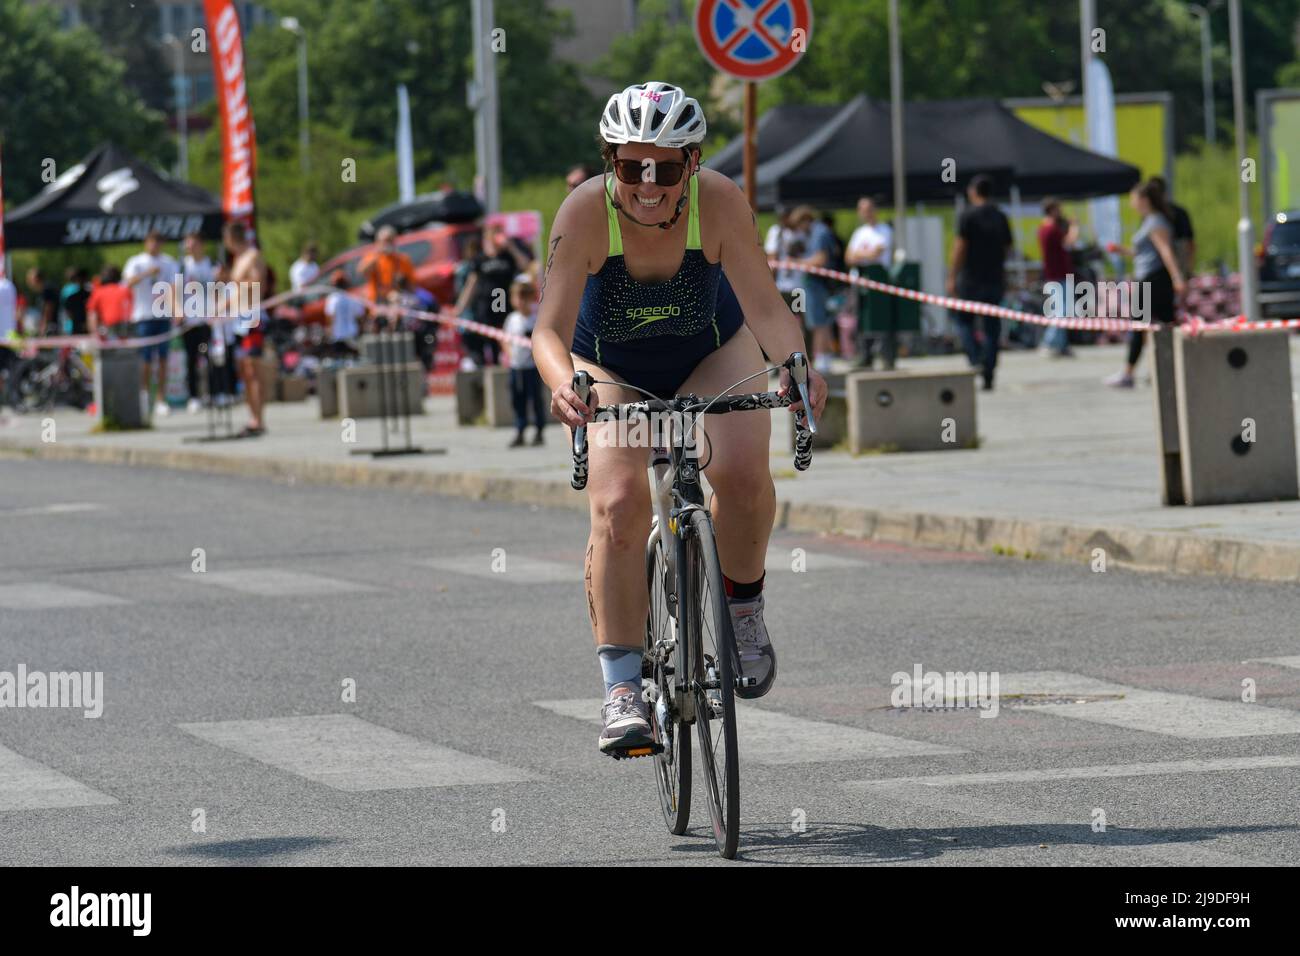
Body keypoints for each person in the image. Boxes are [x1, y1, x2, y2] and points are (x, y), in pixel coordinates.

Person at [532, 81, 827, 756]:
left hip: (712, 355)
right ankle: (622, 689)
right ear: (610, 162)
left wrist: (798, 367)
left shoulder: (719, 202)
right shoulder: (584, 214)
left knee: (748, 475)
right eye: (630, 165)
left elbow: (768, 308)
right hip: (614, 371)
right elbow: (546, 331)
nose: (647, 184)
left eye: (665, 168)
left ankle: (743, 608)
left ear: (691, 163)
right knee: (620, 501)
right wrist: (563, 384)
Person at [1104, 180, 1187, 388]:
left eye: (1133, 198)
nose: (1132, 203)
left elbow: (1165, 251)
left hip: (1154, 279)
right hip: (1149, 278)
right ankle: (1165, 369)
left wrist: (1177, 277)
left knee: (1144, 325)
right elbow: (1145, 252)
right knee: (1161, 325)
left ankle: (1130, 372)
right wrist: (1123, 251)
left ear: (1144, 199)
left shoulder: (1156, 222)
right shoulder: (1149, 221)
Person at [947, 174, 1013, 391]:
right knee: (992, 327)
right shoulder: (1000, 216)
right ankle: (989, 369)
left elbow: (960, 248)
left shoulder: (967, 215)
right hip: (994, 278)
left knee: (964, 321)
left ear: (973, 192)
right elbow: (1007, 249)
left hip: (971, 279)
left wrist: (951, 276)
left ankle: (975, 358)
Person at [454, 223, 532, 368]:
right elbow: (471, 285)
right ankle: (490, 372)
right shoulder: (480, 259)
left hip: (504, 306)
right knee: (487, 342)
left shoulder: (508, 257)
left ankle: (505, 369)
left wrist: (511, 247)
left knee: (504, 340)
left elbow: (526, 265)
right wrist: (459, 308)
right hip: (485, 307)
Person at [122, 231, 182, 417]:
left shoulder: (169, 262)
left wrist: (176, 309)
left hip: (162, 315)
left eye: (158, 242)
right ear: (146, 242)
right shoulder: (136, 261)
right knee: (145, 359)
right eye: (151, 242)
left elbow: (173, 287)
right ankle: (144, 394)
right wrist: (148, 273)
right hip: (143, 315)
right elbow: (127, 283)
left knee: (163, 358)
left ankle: (161, 399)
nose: (155, 245)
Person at [224, 221, 270, 435]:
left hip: (251, 316)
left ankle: (259, 419)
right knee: (243, 369)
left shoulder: (252, 256)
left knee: (252, 368)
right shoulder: (238, 259)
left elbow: (257, 283)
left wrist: (236, 288)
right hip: (239, 318)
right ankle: (252, 417)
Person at [845, 197, 894, 367]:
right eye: (862, 209)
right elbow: (849, 258)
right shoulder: (859, 233)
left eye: (869, 209)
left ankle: (886, 355)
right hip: (861, 282)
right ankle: (865, 354)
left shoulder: (884, 230)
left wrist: (859, 254)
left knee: (881, 319)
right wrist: (864, 254)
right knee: (861, 319)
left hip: (878, 281)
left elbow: (876, 254)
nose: (866, 213)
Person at [789, 205, 838, 373]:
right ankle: (823, 357)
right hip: (812, 285)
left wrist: (798, 262)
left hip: (817, 285)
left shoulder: (819, 233)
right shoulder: (816, 233)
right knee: (818, 323)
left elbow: (820, 260)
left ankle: (822, 358)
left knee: (819, 323)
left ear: (805, 220)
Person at [503, 275, 546, 448]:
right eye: (516, 297)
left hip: (532, 367)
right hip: (516, 366)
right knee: (517, 398)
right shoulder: (512, 319)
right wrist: (509, 354)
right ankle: (520, 429)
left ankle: (539, 430)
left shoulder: (536, 317)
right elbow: (504, 338)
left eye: (523, 297)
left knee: (535, 398)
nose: (519, 301)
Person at [179, 233, 217, 412]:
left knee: (211, 357)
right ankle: (193, 397)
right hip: (189, 321)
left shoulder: (212, 265)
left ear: (201, 245)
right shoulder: (182, 266)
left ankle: (215, 393)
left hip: (209, 320)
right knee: (191, 359)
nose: (190, 248)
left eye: (193, 244)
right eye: (188, 245)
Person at [1037, 198, 1078, 358]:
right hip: (1057, 275)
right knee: (1061, 311)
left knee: (1062, 311)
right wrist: (1074, 226)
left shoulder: (1045, 228)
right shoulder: (1051, 229)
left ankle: (1061, 345)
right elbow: (1070, 242)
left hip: (1055, 274)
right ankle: (1048, 342)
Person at [359, 226, 415, 326]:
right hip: (376, 303)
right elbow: (362, 271)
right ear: (378, 242)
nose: (388, 244)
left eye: (390, 240)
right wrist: (377, 254)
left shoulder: (402, 260)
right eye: (385, 241)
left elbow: (412, 285)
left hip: (397, 303)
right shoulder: (373, 258)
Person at [1149, 176, 1195, 277]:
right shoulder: (1179, 212)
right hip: (1171, 264)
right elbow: (1190, 243)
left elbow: (1188, 242)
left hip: (1162, 265)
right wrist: (1189, 267)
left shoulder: (1152, 217)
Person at [324, 271, 365, 357]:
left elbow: (330, 316)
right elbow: (360, 315)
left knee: (340, 360)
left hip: (338, 335)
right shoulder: (352, 298)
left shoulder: (332, 299)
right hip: (352, 333)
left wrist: (329, 330)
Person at [86, 265, 133, 339]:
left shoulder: (98, 292)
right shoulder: (125, 290)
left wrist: (94, 333)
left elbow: (92, 314)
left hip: (107, 328)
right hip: (126, 327)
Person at [24, 268, 60, 337]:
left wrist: (43, 326)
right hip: (51, 325)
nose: (28, 282)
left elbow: (48, 309)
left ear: (36, 279)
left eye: (29, 279)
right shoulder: (43, 291)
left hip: (51, 327)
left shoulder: (47, 290)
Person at [0, 269, 17, 395]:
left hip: (5, 336)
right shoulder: (9, 286)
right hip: (9, 335)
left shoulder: (4, 286)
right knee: (8, 370)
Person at [59, 268, 91, 336]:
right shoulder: (91, 295)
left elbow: (67, 312)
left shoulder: (69, 294)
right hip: (78, 327)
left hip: (74, 327)